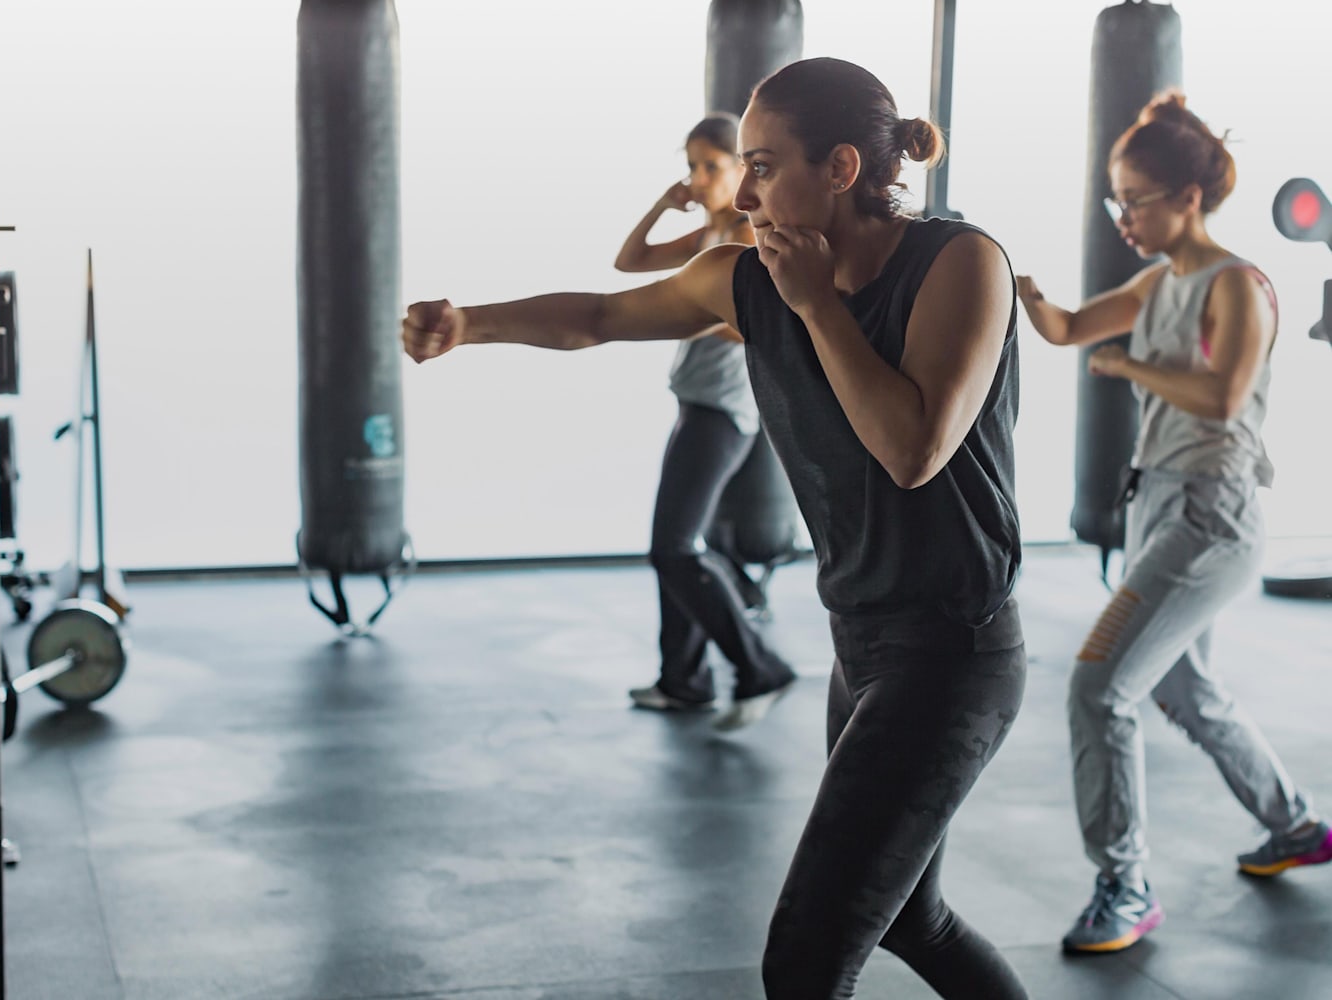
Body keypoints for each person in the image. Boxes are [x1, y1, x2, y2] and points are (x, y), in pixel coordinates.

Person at [405, 57, 1029, 1000]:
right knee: (911, 916)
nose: (742, 193)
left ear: (843, 168)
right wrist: (469, 323)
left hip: (954, 646)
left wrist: (817, 305)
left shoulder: (960, 263)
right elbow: (603, 313)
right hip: (859, 639)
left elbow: (913, 449)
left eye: (765, 166)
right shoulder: (747, 279)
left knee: (804, 961)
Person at [1018, 91, 1332, 956]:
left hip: (1210, 519)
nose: (1123, 218)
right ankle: (1297, 826)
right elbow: (1070, 331)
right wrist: (1024, 290)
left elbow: (1225, 399)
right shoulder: (1161, 282)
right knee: (1184, 687)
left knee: (1096, 685)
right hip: (1157, 506)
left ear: (1187, 198)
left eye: (1136, 200)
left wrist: (1128, 366)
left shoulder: (1238, 285)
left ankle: (1125, 884)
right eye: (1115, 201)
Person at [613, 111, 797, 732]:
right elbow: (628, 260)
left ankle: (760, 669)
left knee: (672, 549)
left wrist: (681, 310)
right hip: (697, 406)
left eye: (710, 166)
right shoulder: (710, 238)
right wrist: (666, 203)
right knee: (682, 546)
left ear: (743, 168)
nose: (697, 177)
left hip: (723, 413)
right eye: (689, 166)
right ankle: (683, 681)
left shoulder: (748, 241)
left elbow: (748, 322)